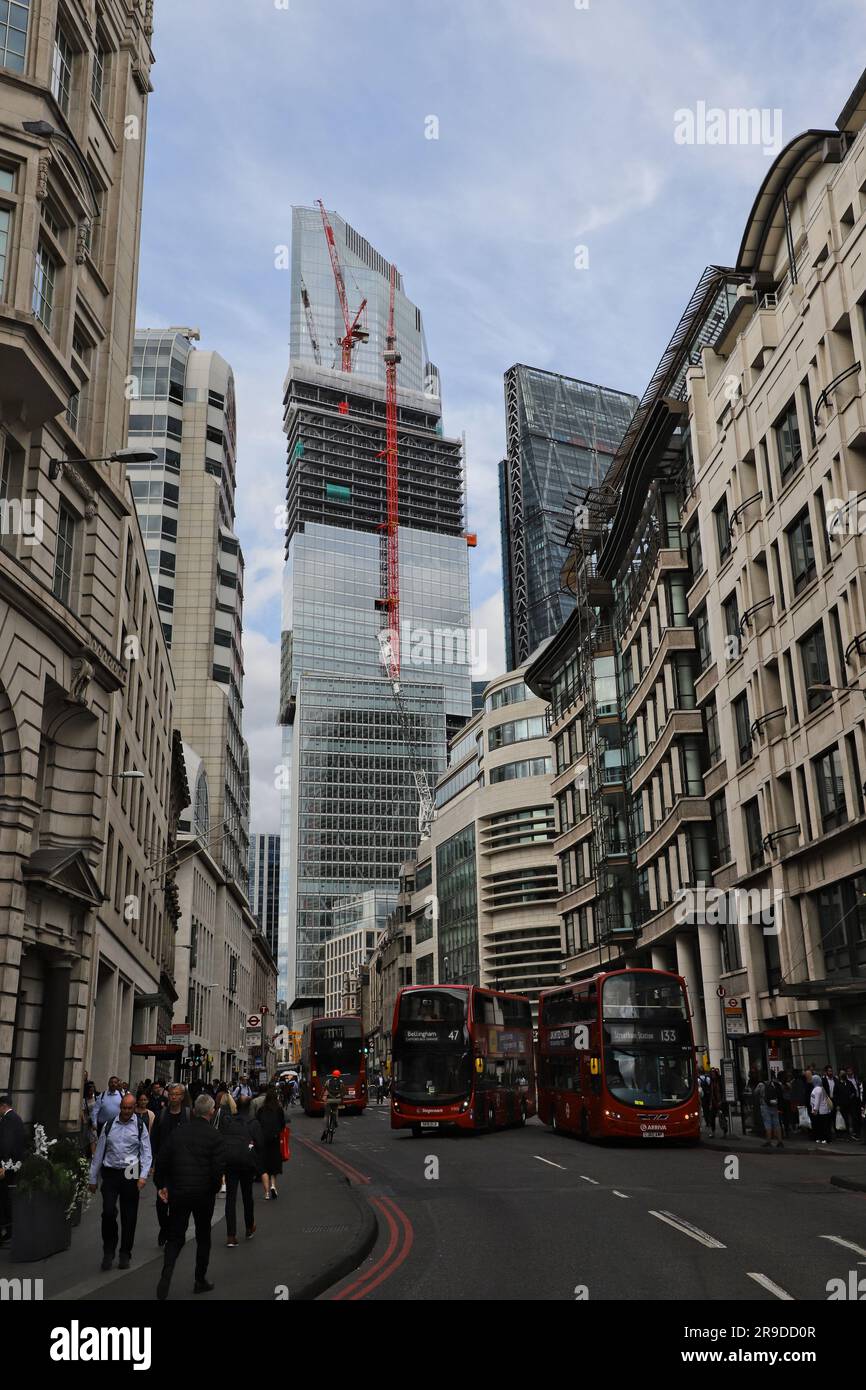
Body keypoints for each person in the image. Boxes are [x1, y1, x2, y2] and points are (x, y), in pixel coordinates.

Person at [155, 1093, 225, 1300]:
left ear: (194, 1111)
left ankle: (167, 1273)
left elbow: (162, 1161)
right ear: (211, 1112)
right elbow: (217, 1170)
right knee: (204, 1237)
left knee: (175, 1237)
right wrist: (211, 1190)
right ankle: (200, 1280)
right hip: (203, 1195)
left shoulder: (178, 1133)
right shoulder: (215, 1137)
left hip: (179, 1192)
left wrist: (162, 1185)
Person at [88, 1091, 152, 1270]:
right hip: (110, 1172)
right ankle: (109, 1249)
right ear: (120, 1107)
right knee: (108, 1212)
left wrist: (143, 1176)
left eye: (129, 1108)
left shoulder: (139, 1126)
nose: (126, 1111)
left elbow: (146, 1152)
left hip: (131, 1172)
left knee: (129, 1216)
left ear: (134, 1108)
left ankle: (125, 1252)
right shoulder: (109, 1125)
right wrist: (92, 1178)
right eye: (123, 1107)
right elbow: (99, 1152)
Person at [150, 1083, 191, 1246]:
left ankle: (171, 1231)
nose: (173, 1097)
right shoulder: (161, 1115)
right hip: (163, 1165)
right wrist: (152, 1163)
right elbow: (153, 1140)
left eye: (177, 1094)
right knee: (161, 1203)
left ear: (182, 1097)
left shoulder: (188, 1115)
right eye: (171, 1094)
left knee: (176, 1202)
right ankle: (164, 1227)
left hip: (181, 1166)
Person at [222, 1096, 263, 1246]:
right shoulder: (253, 1123)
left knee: (230, 1198)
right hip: (246, 1163)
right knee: (247, 1196)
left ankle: (231, 1236)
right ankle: (249, 1227)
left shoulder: (229, 1121)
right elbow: (260, 1144)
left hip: (230, 1162)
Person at [0, 1095, 26, 1248]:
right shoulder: (16, 1118)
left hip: (7, 1165)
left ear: (3, 1106)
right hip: (12, 1164)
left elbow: (6, 1144)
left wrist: (3, 1164)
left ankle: (7, 1230)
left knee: (4, 1198)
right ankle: (8, 1229)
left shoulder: (9, 1120)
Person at [257, 1086, 286, 1199]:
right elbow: (283, 1124)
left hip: (263, 1140)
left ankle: (267, 1193)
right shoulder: (279, 1109)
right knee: (274, 1164)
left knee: (263, 1166)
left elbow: (257, 1124)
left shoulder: (261, 1110)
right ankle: (273, 1186)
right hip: (275, 1140)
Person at [755, 1073, 784, 1148]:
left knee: (767, 1124)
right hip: (774, 1105)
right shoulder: (775, 1083)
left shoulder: (761, 1084)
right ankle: (780, 1141)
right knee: (777, 1123)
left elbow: (755, 1093)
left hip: (765, 1106)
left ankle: (768, 1141)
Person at [321, 1070, 345, 1141]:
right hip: (337, 1100)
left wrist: (321, 1096)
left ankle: (326, 1129)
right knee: (336, 1110)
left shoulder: (328, 1081)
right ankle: (335, 1122)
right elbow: (344, 1091)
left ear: (332, 1075)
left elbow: (323, 1090)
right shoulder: (341, 1082)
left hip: (329, 1100)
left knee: (326, 1114)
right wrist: (341, 1098)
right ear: (339, 1075)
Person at [810, 1072, 832, 1143]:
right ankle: (824, 1138)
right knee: (823, 1125)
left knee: (823, 1125)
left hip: (821, 1111)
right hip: (822, 1110)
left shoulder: (817, 1089)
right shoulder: (820, 1088)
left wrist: (815, 1110)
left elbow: (817, 1101)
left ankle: (825, 1138)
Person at [81, 1080, 99, 1156]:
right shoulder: (84, 1100)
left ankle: (94, 1154)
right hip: (88, 1121)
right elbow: (82, 1111)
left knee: (94, 1138)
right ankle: (87, 1154)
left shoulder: (97, 1098)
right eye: (90, 1091)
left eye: (92, 1090)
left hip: (95, 1120)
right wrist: (84, 1120)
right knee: (87, 1139)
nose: (91, 1092)